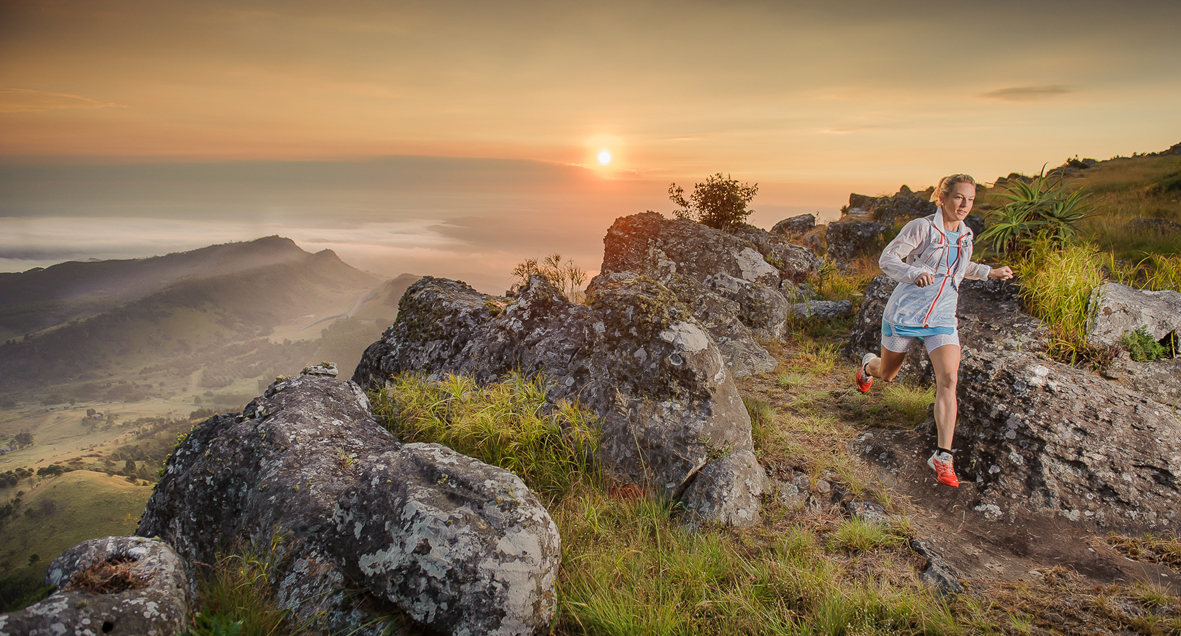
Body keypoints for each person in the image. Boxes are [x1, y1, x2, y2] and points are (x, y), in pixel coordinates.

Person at [854, 174, 1013, 488]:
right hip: (905, 313)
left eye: (970, 199)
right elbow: (887, 258)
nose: (965, 205)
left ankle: (942, 455)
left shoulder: (965, 234)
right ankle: (867, 365)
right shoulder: (922, 227)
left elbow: (959, 266)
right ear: (943, 198)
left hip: (942, 317)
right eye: (958, 198)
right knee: (887, 374)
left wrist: (988, 272)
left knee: (949, 379)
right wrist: (914, 273)